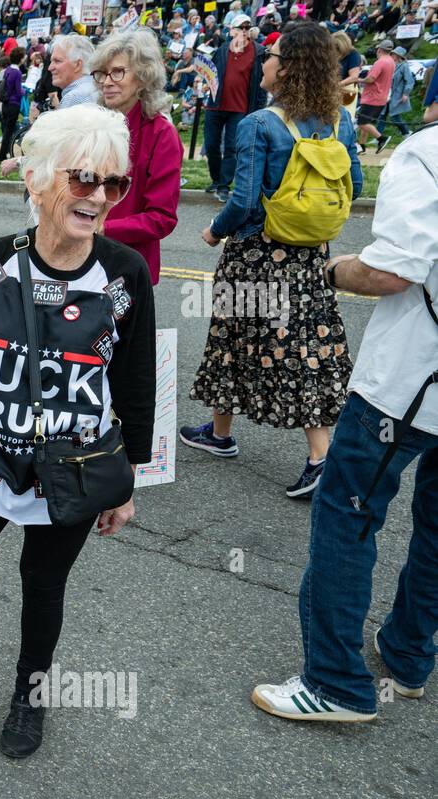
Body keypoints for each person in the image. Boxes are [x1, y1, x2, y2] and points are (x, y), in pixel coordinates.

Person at [0, 103, 155, 759]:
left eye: (113, 184)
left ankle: (30, 694)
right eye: (83, 179)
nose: (98, 197)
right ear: (40, 180)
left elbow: (135, 387)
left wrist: (127, 486)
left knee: (42, 590)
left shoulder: (126, 275)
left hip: (71, 476)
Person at [252, 120, 438, 722]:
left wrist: (337, 270)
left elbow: (394, 270)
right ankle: (407, 659)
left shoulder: (428, 152)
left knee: (347, 516)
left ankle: (334, 682)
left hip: (407, 384)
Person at [185, 23, 363, 497]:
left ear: (285, 68)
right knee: (303, 346)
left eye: (271, 54)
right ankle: (233, 436)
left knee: (232, 335)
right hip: (309, 255)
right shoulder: (339, 120)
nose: (263, 60)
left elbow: (243, 200)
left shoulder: (259, 124)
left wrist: (213, 230)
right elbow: (357, 185)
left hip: (257, 252)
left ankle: (308, 457)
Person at [91, 29, 184, 285]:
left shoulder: (161, 134)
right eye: (102, 73)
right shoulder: (93, 123)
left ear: (143, 78)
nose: (107, 81)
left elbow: (161, 218)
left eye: (118, 72)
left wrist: (101, 228)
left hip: (128, 265)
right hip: (82, 258)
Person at [204, 14, 265, 203]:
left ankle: (224, 185)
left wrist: (258, 108)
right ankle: (216, 179)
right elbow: (210, 73)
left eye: (248, 28)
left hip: (240, 108)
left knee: (231, 148)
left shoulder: (259, 52)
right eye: (241, 27)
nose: (244, 31)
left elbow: (261, 82)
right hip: (215, 105)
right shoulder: (222, 50)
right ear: (232, 30)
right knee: (211, 145)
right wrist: (203, 82)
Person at [354, 38, 397, 152]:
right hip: (382, 97)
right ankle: (362, 146)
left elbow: (371, 79)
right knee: (367, 123)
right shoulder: (391, 61)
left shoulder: (380, 62)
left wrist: (358, 79)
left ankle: (382, 138)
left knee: (362, 123)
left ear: (379, 50)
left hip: (372, 97)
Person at [49, 34, 97, 108]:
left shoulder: (74, 97)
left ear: (77, 65)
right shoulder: (94, 87)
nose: (50, 68)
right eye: (51, 61)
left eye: (57, 61)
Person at [0, 47, 25, 160]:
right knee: (9, 131)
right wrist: (24, 91)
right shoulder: (17, 72)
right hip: (13, 104)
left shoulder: (7, 70)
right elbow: (18, 90)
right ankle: (2, 156)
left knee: (7, 130)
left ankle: (3, 154)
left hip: (5, 104)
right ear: (20, 59)